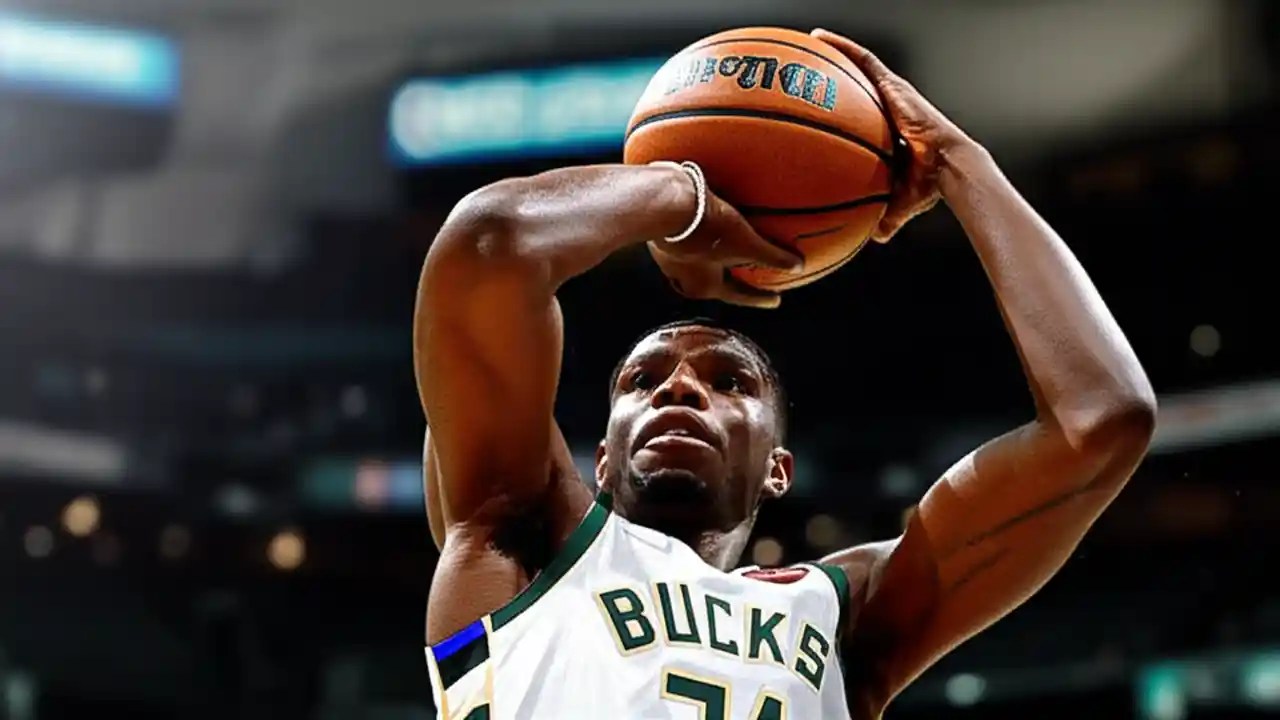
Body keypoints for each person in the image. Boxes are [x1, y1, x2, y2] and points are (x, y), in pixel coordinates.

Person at [413, 29, 1156, 720]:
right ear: (600, 459)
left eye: (730, 382)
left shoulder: (842, 611)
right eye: (642, 381)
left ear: (778, 469)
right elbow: (490, 243)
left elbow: (1101, 420)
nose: (680, 387)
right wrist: (685, 196)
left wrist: (961, 163)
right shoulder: (519, 536)